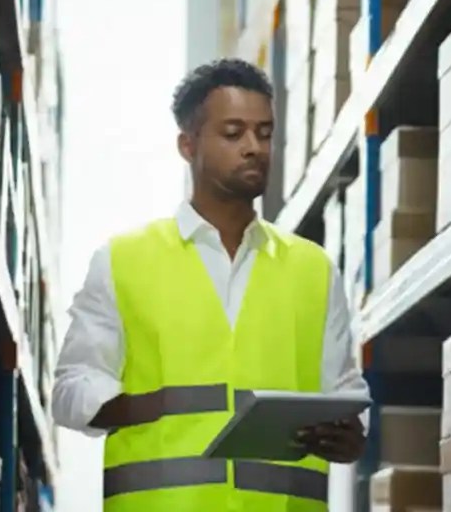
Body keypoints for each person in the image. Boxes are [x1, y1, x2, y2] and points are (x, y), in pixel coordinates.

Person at [53, 58, 370, 511]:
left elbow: (344, 392)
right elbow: (69, 390)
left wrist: (349, 437)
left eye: (264, 133)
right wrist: (144, 407)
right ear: (187, 144)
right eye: (233, 133)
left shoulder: (313, 269)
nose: (254, 147)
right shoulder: (123, 260)